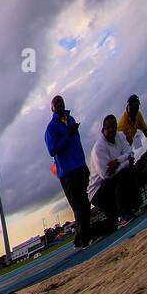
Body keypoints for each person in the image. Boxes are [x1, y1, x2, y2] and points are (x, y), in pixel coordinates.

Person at [45, 95, 92, 248]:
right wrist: (68, 134)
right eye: (55, 102)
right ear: (52, 108)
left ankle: (81, 238)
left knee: (84, 203)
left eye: (61, 101)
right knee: (78, 205)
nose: (59, 103)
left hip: (80, 165)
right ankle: (83, 239)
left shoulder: (70, 119)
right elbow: (52, 150)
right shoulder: (51, 128)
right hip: (68, 172)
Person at [89, 115, 141, 235]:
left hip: (111, 183)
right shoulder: (98, 149)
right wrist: (125, 161)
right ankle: (123, 214)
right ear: (103, 130)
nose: (112, 130)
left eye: (114, 127)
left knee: (112, 225)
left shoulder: (120, 136)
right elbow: (106, 175)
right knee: (123, 173)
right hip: (98, 192)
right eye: (109, 128)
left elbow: (131, 154)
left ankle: (136, 205)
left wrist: (117, 162)